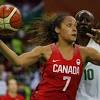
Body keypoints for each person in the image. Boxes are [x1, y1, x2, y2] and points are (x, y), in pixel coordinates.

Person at [1, 13, 100, 100]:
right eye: (69, 25)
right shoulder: (45, 51)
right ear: (57, 29)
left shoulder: (85, 52)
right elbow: (17, 61)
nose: (74, 29)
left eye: (75, 26)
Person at [76, 10, 100, 100]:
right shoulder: (68, 47)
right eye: (80, 19)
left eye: (87, 20)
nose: (83, 22)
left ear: (93, 25)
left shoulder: (98, 46)